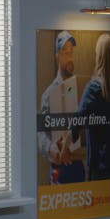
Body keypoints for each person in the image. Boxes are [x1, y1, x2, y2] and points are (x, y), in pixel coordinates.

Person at [63, 33, 110, 181]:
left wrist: (65, 148)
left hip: (99, 166)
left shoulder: (94, 87)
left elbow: (78, 119)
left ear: (98, 56)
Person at [38, 30, 85, 184]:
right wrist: (51, 148)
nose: (69, 58)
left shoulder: (82, 89)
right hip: (60, 171)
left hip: (79, 166)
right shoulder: (49, 94)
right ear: (57, 56)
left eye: (71, 53)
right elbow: (40, 135)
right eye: (65, 53)